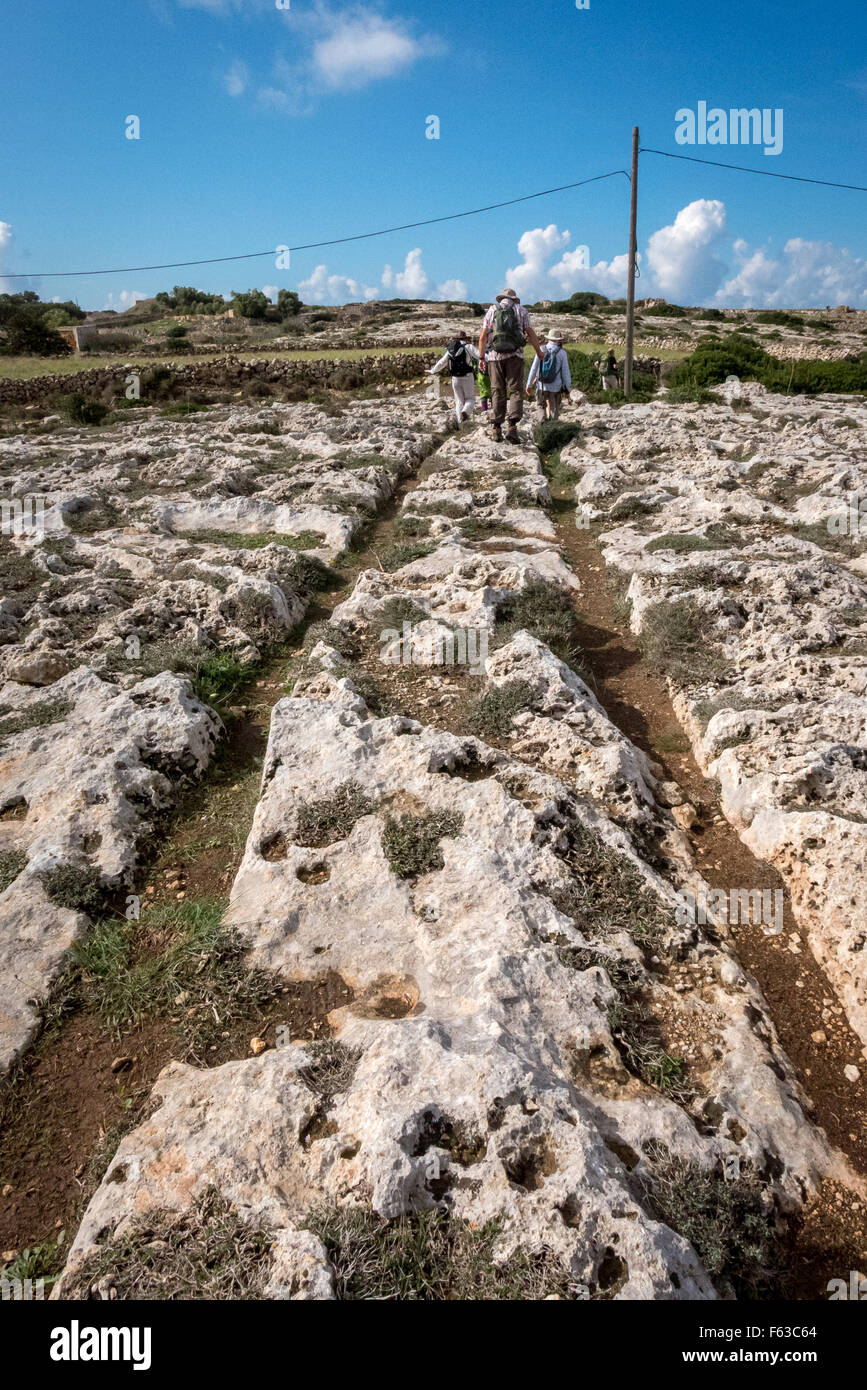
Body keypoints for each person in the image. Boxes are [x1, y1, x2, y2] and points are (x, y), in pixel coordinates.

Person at [478, 288, 544, 444]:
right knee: (515, 390)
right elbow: (530, 332)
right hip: (515, 356)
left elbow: (482, 337)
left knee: (497, 390)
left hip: (494, 357)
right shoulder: (521, 310)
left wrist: (481, 357)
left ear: (501, 299)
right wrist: (539, 352)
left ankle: (496, 429)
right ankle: (512, 428)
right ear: (515, 299)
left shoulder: (492, 310)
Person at [428, 330, 480, 426]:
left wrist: (432, 371)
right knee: (470, 399)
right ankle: (465, 412)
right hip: (467, 377)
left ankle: (460, 423)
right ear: (465, 338)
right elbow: (481, 355)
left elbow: (441, 362)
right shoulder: (468, 347)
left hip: (455, 378)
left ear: (456, 339)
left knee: (459, 400)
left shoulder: (450, 349)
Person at [526, 331, 571, 420]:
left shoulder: (541, 349)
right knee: (554, 409)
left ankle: (542, 423)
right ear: (558, 340)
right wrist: (568, 389)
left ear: (549, 338)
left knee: (540, 406)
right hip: (556, 387)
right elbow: (566, 372)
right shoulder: (562, 353)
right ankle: (553, 427)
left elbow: (534, 368)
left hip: (541, 385)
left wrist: (529, 384)